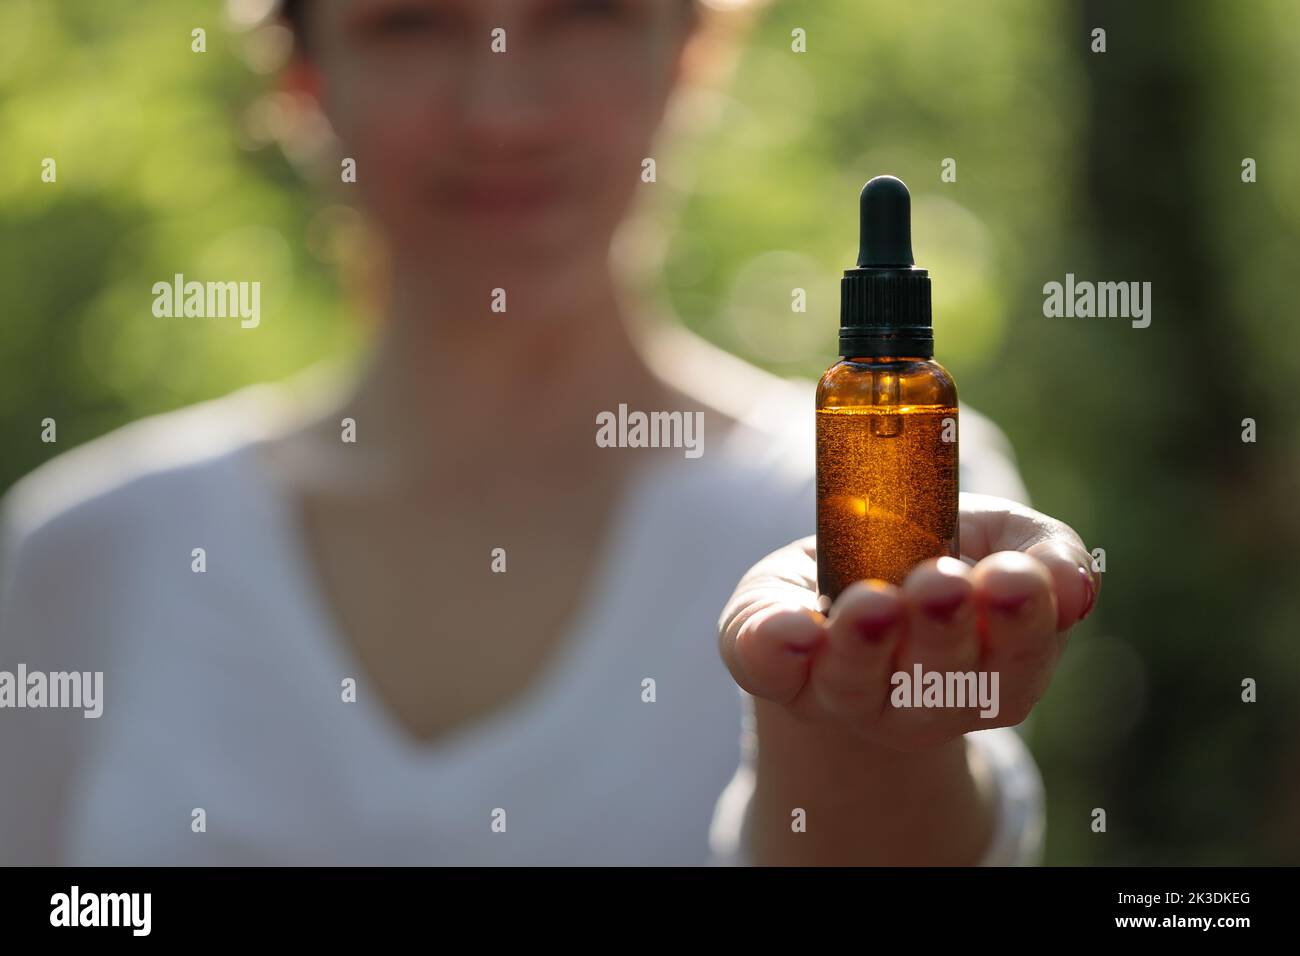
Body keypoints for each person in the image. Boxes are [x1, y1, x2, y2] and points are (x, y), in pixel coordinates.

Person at [0, 0, 1097, 865]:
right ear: (304, 77)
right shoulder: (88, 552)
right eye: (412, 20)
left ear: (689, 53)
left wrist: (852, 733)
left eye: (582, 11)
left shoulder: (852, 514)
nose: (501, 111)